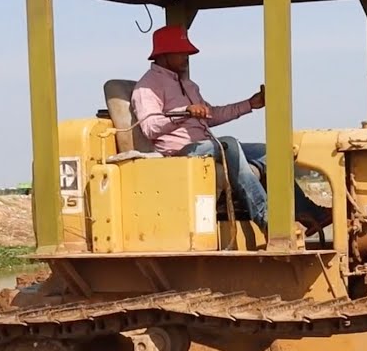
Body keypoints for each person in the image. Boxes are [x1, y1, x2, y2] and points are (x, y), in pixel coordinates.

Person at [131, 24, 330, 234]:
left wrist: (250, 104)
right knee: (230, 145)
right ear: (164, 54)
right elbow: (150, 127)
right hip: (180, 153)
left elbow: (211, 115)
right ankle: (266, 217)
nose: (187, 56)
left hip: (209, 146)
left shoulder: (188, 85)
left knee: (273, 151)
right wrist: (185, 112)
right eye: (182, 52)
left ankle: (312, 214)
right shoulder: (147, 87)